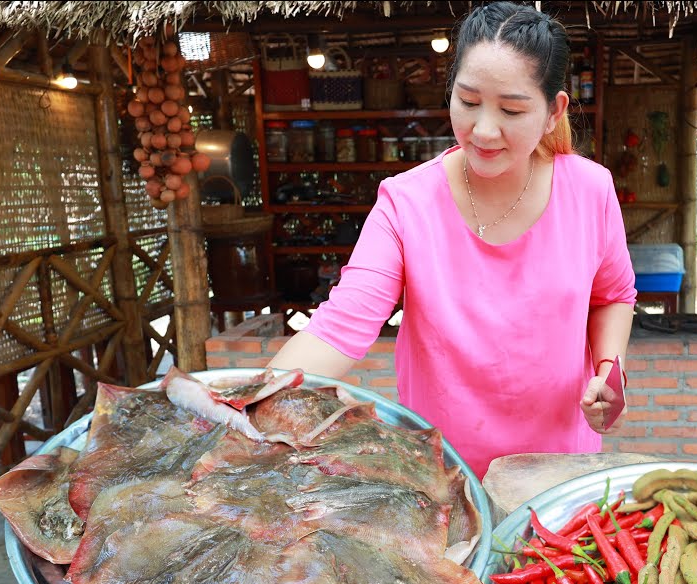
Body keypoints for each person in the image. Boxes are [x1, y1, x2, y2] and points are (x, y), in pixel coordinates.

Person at [269, 0, 637, 478]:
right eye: (467, 102)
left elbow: (613, 295)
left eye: (511, 109)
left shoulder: (590, 190)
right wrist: (252, 405)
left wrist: (610, 369)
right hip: (443, 476)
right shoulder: (405, 204)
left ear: (553, 112)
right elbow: (339, 325)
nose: (483, 130)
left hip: (558, 468)